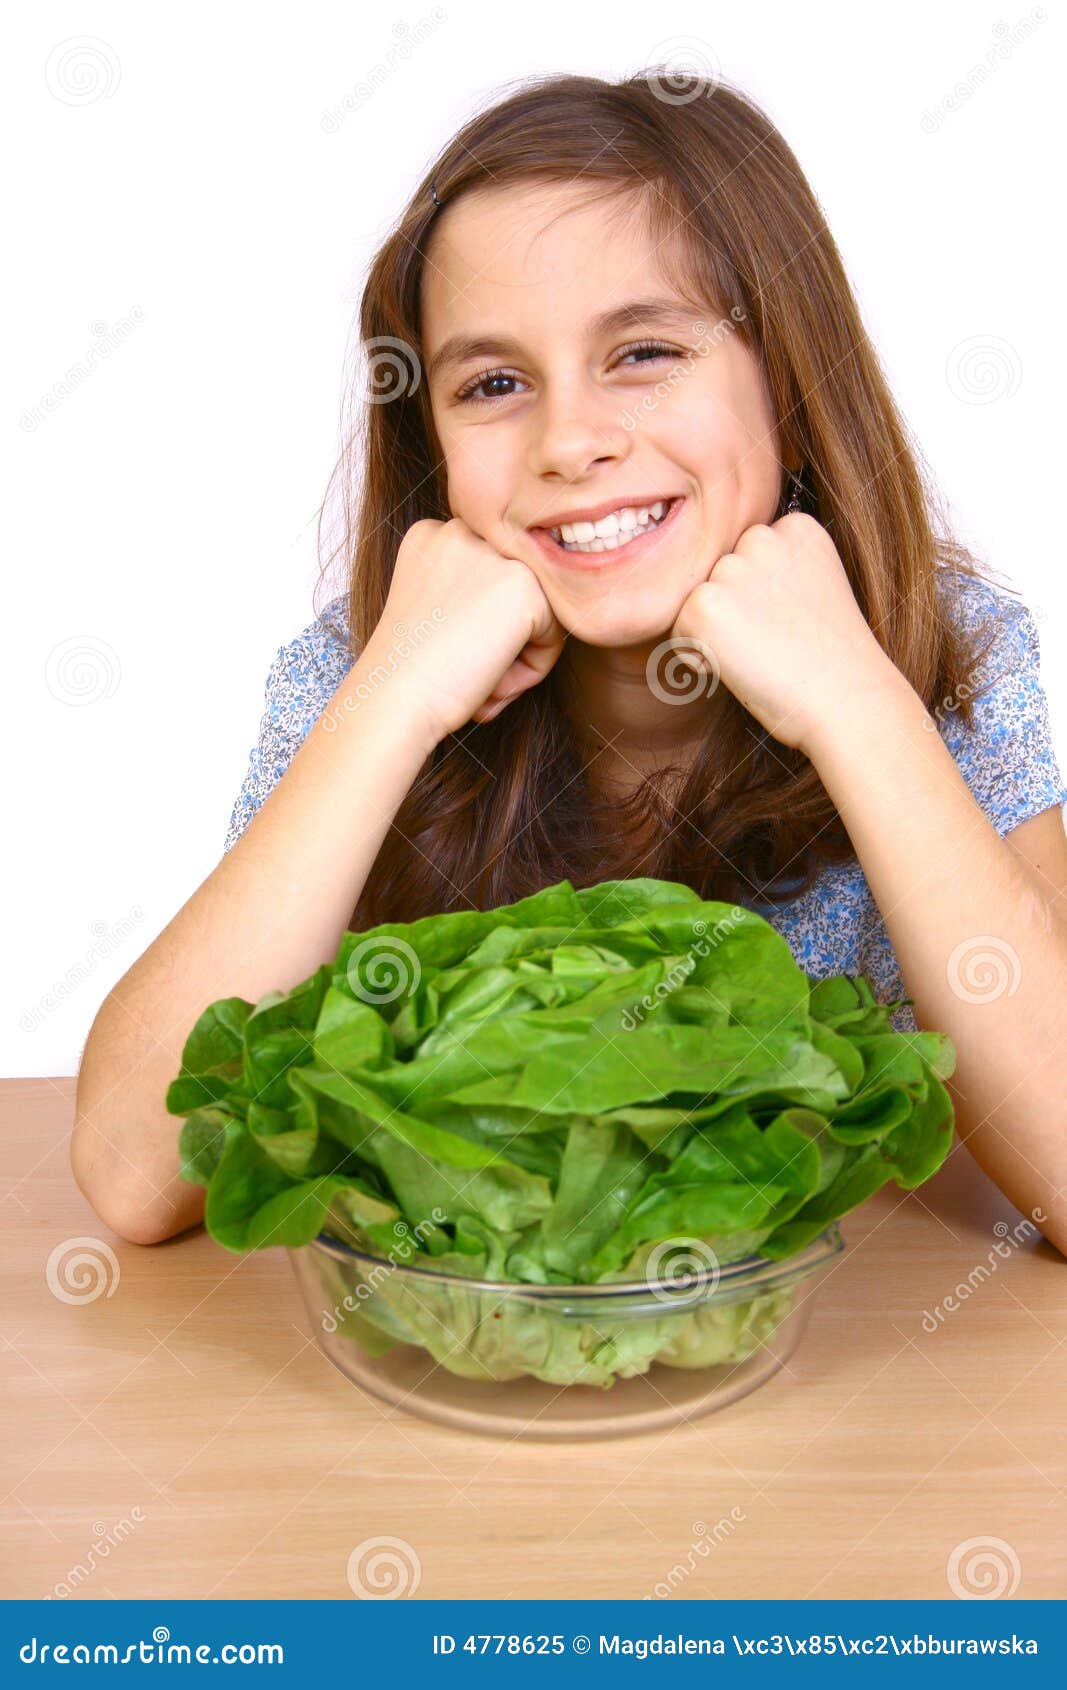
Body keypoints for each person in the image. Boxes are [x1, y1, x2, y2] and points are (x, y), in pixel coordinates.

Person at [72, 71, 1067, 1252]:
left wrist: (859, 706)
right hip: (470, 1360)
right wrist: (391, 699)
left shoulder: (942, 653)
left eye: (643, 352)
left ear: (788, 388)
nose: (570, 442)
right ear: (428, 439)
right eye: (492, 384)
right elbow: (134, 1174)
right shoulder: (364, 670)